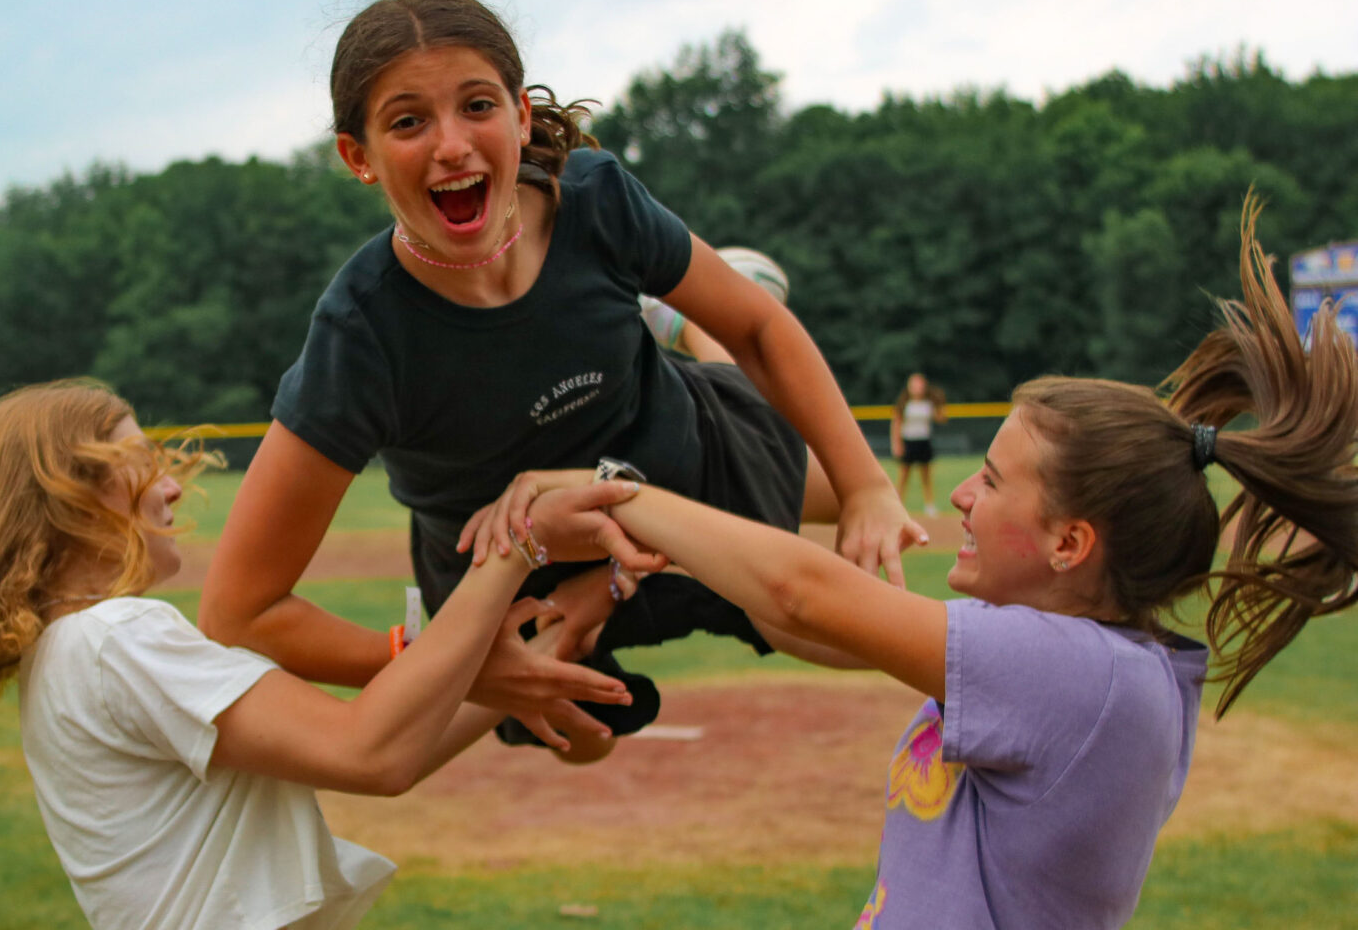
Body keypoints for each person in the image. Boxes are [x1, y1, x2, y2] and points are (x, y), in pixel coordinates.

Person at [501, 200, 1358, 928]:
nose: (960, 500)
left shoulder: (1084, 679)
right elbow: (813, 626)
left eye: (989, 481)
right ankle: (701, 322)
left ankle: (705, 322)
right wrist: (626, 582)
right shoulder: (1066, 653)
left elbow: (800, 598)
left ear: (1070, 544)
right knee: (753, 478)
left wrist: (610, 490)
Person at [199, 0, 923, 759]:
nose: (450, 144)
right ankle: (663, 324)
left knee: (843, 622)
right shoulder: (361, 337)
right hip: (522, 578)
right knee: (584, 742)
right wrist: (451, 660)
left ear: (517, 113)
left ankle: (673, 326)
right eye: (407, 122)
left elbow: (755, 323)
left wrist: (867, 489)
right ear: (358, 157)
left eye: (476, 105)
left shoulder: (596, 201)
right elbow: (239, 612)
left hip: (688, 476)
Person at [0, 380, 647, 930]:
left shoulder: (74, 649)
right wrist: (517, 547)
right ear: (72, 495)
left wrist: (579, 610)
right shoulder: (119, 639)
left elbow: (402, 743)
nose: (173, 485)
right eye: (139, 461)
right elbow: (372, 750)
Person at [890, 372, 947, 516]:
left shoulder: (929, 403)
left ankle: (929, 505)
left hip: (924, 441)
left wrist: (940, 406)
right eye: (914, 385)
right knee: (903, 477)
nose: (917, 388)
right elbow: (896, 424)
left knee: (926, 477)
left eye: (919, 385)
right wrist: (897, 444)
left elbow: (941, 419)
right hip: (909, 441)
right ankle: (897, 506)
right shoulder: (904, 404)